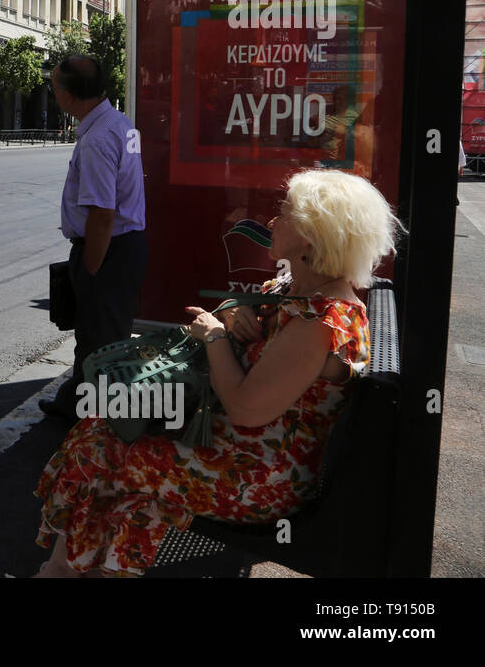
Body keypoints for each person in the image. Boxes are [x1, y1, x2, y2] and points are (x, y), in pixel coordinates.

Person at [32, 168, 399, 577]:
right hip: (240, 448)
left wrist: (214, 337)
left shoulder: (322, 321)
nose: (272, 219)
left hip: (258, 474)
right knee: (105, 437)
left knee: (100, 449)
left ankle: (62, 569)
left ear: (311, 236)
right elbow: (236, 315)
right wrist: (234, 313)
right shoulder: (302, 289)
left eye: (285, 211)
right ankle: (72, 568)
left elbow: (244, 408)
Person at [39, 55, 147, 423]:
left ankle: (98, 426)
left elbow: (102, 215)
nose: (54, 95)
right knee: (99, 338)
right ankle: (78, 404)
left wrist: (88, 271)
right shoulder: (118, 124)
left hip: (107, 252)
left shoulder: (98, 138)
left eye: (55, 88)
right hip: (122, 248)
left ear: (68, 96)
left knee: (101, 340)